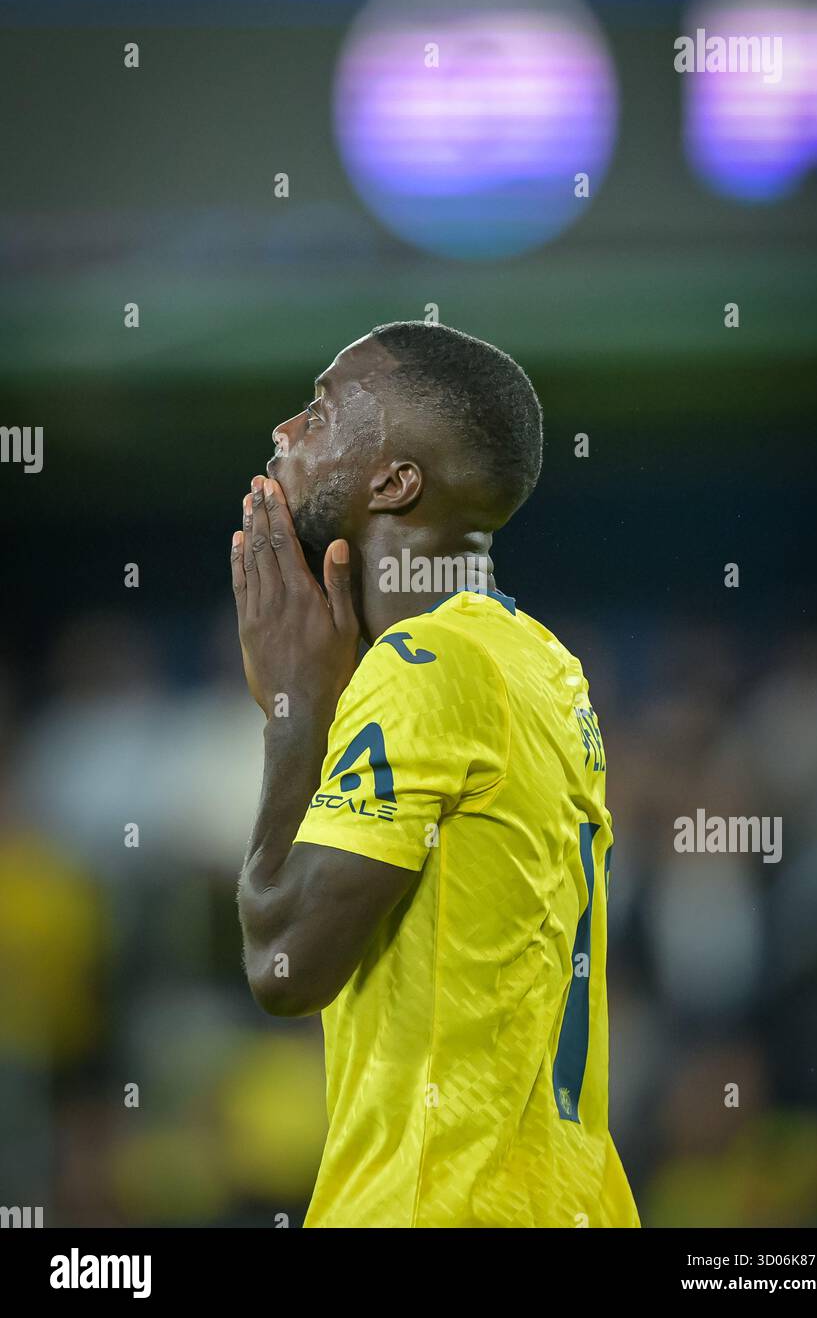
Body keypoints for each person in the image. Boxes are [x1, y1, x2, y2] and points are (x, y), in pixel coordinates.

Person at [231, 320, 639, 1228]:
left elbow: (283, 963)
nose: (285, 432)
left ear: (396, 481)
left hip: (436, 1203)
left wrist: (292, 710)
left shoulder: (425, 666)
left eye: (321, 410)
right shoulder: (538, 661)